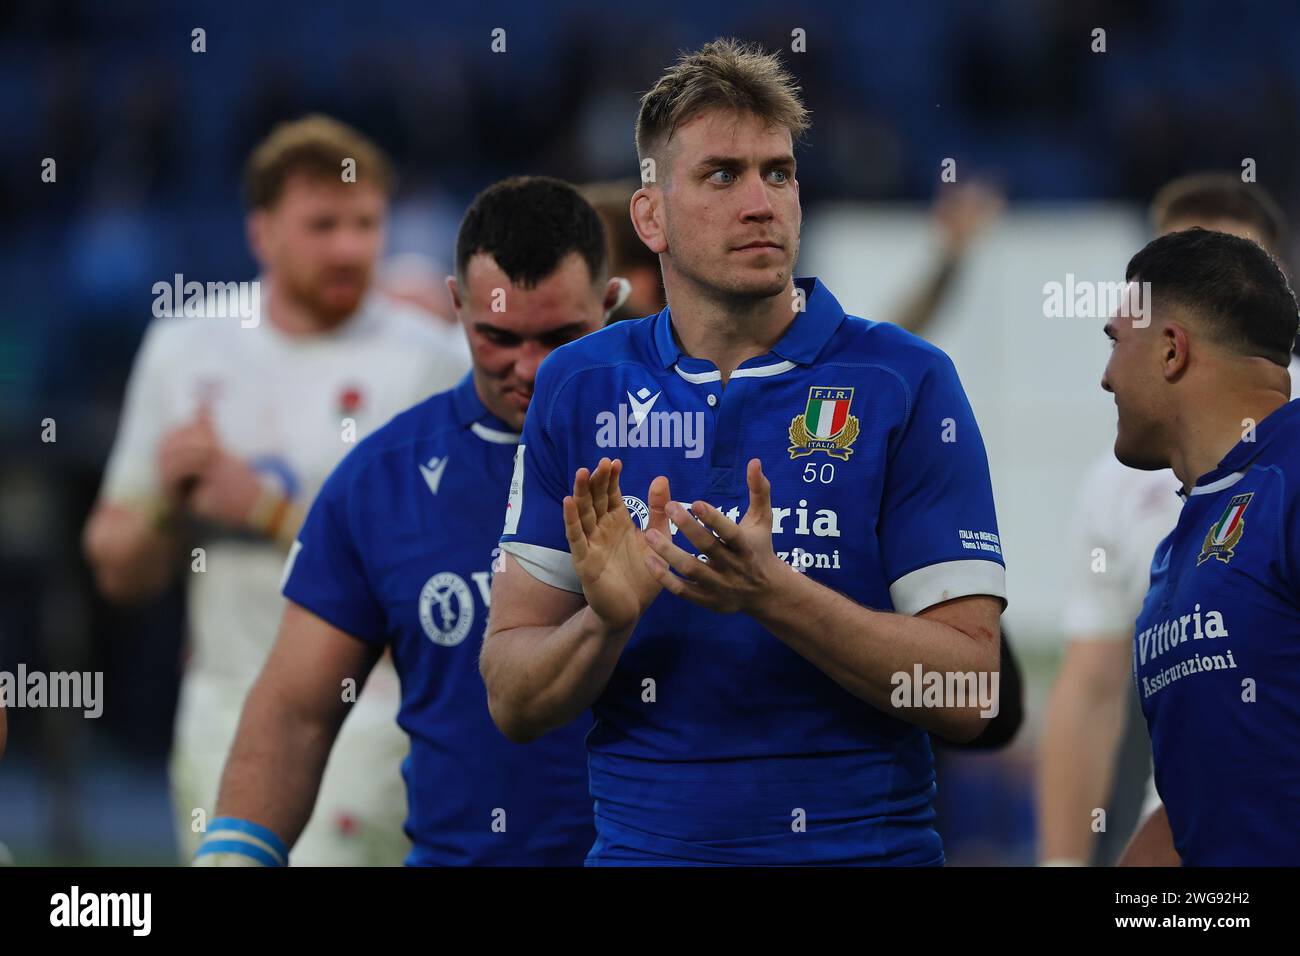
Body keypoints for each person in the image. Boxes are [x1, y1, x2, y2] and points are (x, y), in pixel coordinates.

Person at [481, 39, 1006, 866]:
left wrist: (775, 596)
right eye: (722, 175)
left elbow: (970, 692)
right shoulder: (577, 387)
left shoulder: (906, 381)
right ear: (649, 214)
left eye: (779, 173)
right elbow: (512, 697)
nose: (762, 202)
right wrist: (603, 624)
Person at [198, 176, 621, 866]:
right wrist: (236, 853)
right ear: (456, 307)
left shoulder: (679, 454)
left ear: (611, 303)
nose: (531, 367)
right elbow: (296, 710)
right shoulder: (380, 480)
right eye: (499, 337)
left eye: (561, 336)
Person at [82, 115, 468, 865]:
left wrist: (265, 509)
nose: (351, 247)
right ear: (263, 234)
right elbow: (117, 567)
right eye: (323, 225)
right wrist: (166, 495)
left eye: (366, 223)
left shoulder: (431, 363)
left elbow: (446, 575)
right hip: (219, 703)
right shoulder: (188, 344)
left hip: (370, 712)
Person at [1037, 174, 1298, 865]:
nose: (1104, 376)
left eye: (1115, 340)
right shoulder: (1180, 537)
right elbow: (1199, 803)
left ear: (1173, 348)